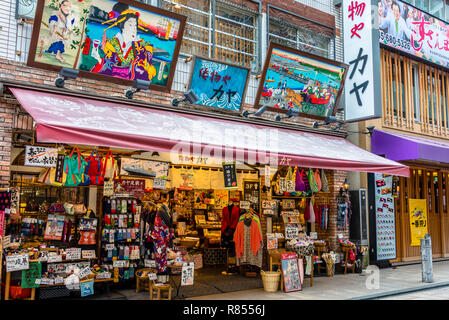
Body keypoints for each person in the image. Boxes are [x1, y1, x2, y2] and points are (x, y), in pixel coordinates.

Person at [91, 3, 157, 81]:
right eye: (130, 25)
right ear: (122, 26)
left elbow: (147, 68)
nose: (133, 29)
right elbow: (107, 63)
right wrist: (98, 58)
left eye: (135, 26)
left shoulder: (141, 47)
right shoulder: (112, 44)